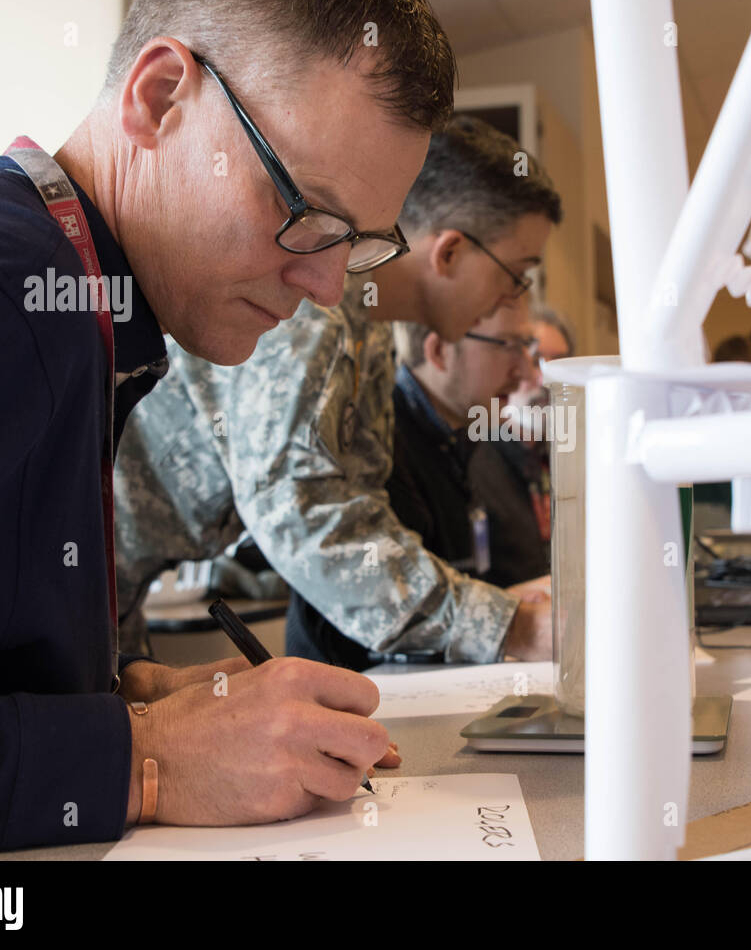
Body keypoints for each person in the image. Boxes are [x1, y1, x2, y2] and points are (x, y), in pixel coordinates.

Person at [0, 0, 455, 859]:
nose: (328, 287)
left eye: (357, 241)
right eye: (304, 211)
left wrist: (114, 703)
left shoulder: (79, 303)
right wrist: (148, 758)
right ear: (158, 98)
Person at [112, 115, 563, 673]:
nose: (515, 296)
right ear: (448, 253)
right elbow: (314, 527)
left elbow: (358, 514)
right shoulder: (317, 315)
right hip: (65, 579)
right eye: (518, 273)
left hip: (112, 588)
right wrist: (518, 627)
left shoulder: (365, 327)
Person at [387, 296, 540, 585]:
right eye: (508, 345)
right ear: (439, 351)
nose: (527, 373)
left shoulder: (460, 438)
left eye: (527, 347)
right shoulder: (379, 450)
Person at [466, 306, 576, 585]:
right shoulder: (471, 459)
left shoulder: (568, 459)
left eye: (560, 363)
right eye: (537, 359)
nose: (547, 380)